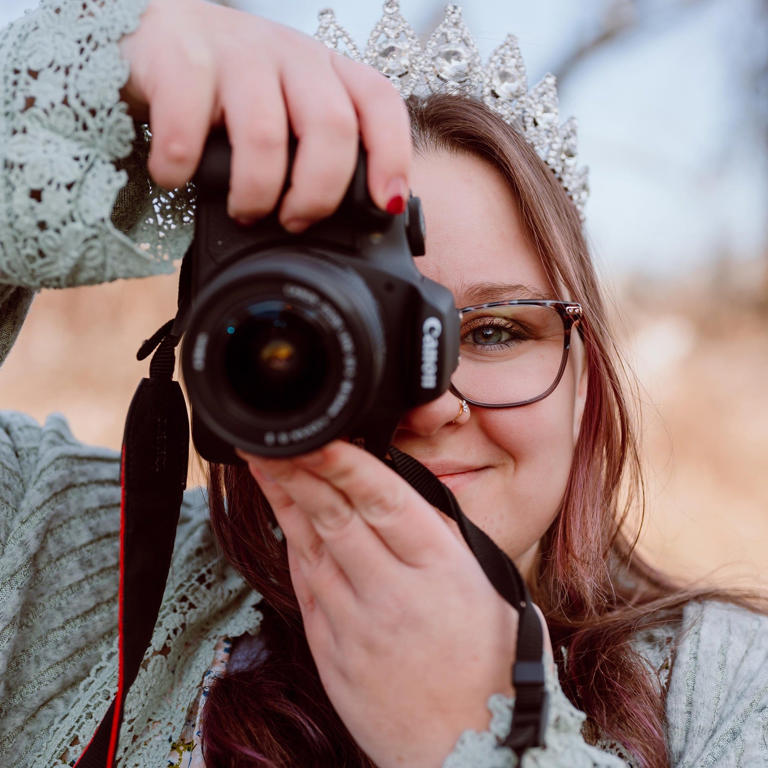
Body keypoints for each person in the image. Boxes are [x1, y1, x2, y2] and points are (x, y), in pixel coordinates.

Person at [0, 0, 766, 767]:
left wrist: (485, 737)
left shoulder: (735, 690)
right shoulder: (53, 548)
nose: (432, 406)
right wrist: (69, 84)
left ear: (584, 382)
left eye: (496, 332)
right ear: (210, 344)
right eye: (338, 336)